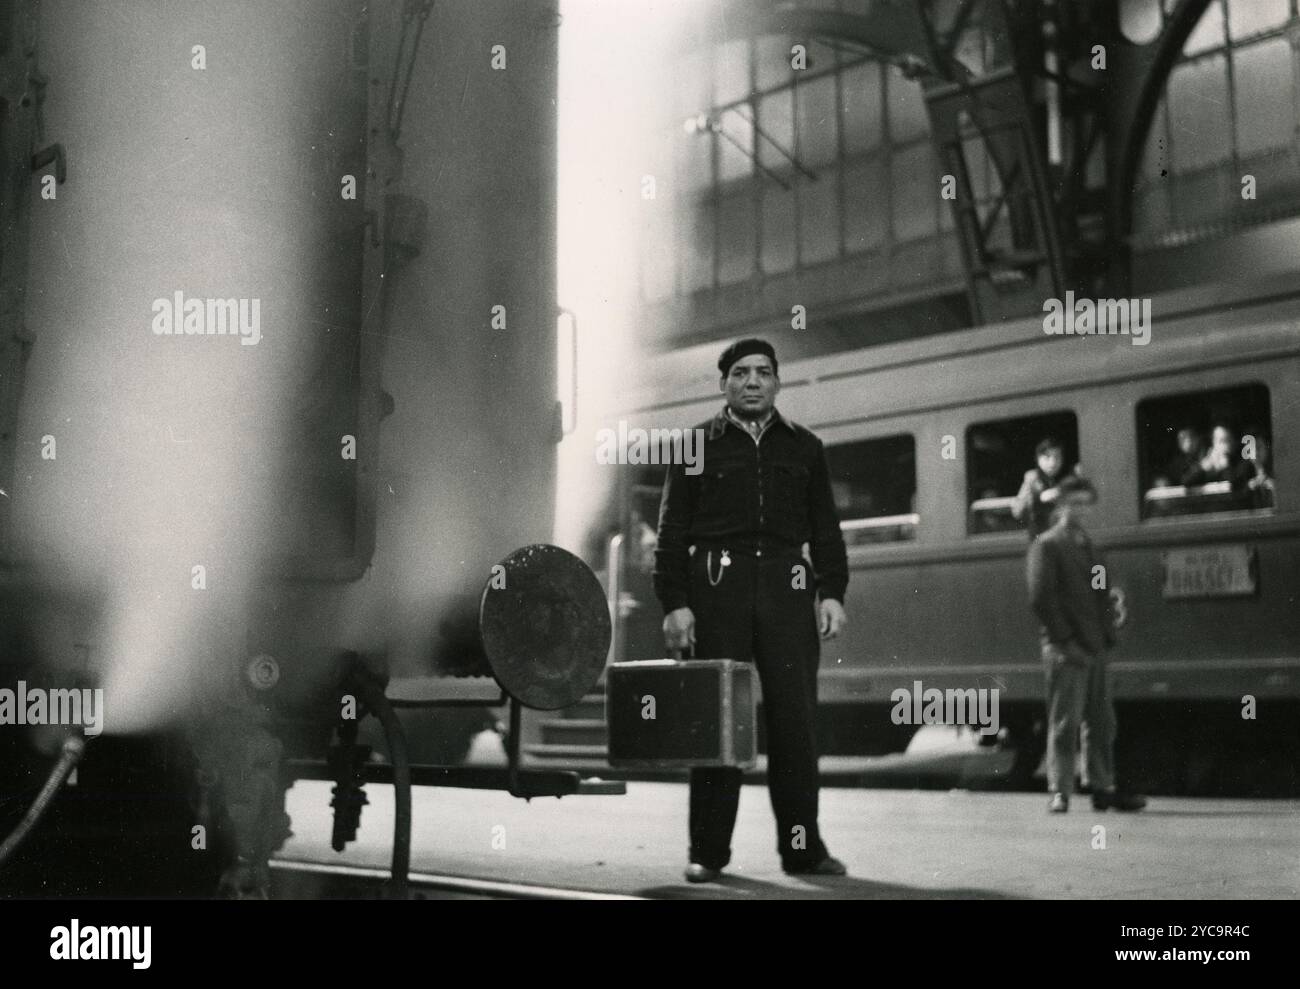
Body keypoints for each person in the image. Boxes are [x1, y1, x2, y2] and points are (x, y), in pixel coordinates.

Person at [654, 338, 848, 883]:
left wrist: (831, 591)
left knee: (796, 725)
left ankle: (803, 851)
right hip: (718, 587)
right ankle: (708, 854)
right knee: (720, 725)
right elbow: (670, 533)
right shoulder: (694, 445)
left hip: (787, 588)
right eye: (741, 373)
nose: (753, 381)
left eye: (764, 372)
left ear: (777, 383)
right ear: (724, 385)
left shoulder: (805, 448)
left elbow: (827, 529)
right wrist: (676, 604)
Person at [1026, 476, 1145, 814]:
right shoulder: (1047, 545)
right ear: (1060, 506)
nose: (1080, 509)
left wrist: (1107, 638)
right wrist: (1065, 640)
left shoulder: (1091, 550)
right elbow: (1041, 597)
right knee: (1065, 722)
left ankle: (1102, 787)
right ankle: (1060, 791)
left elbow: (1101, 595)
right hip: (1066, 650)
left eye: (1085, 503)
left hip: (1094, 648)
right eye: (1073, 503)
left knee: (1102, 722)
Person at [1011, 437, 1075, 539]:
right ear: (1037, 459)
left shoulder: (1059, 480)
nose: (1052, 462)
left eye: (1057, 457)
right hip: (1041, 540)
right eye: (1047, 457)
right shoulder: (1032, 478)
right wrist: (1041, 496)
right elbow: (1018, 512)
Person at [1180, 424, 1254, 490]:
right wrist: (1202, 467)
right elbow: (1186, 483)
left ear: (1233, 442)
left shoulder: (1242, 461)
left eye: (1227, 440)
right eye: (1220, 441)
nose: (1224, 445)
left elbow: (1237, 486)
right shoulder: (1207, 460)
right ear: (1213, 443)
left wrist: (1226, 467)